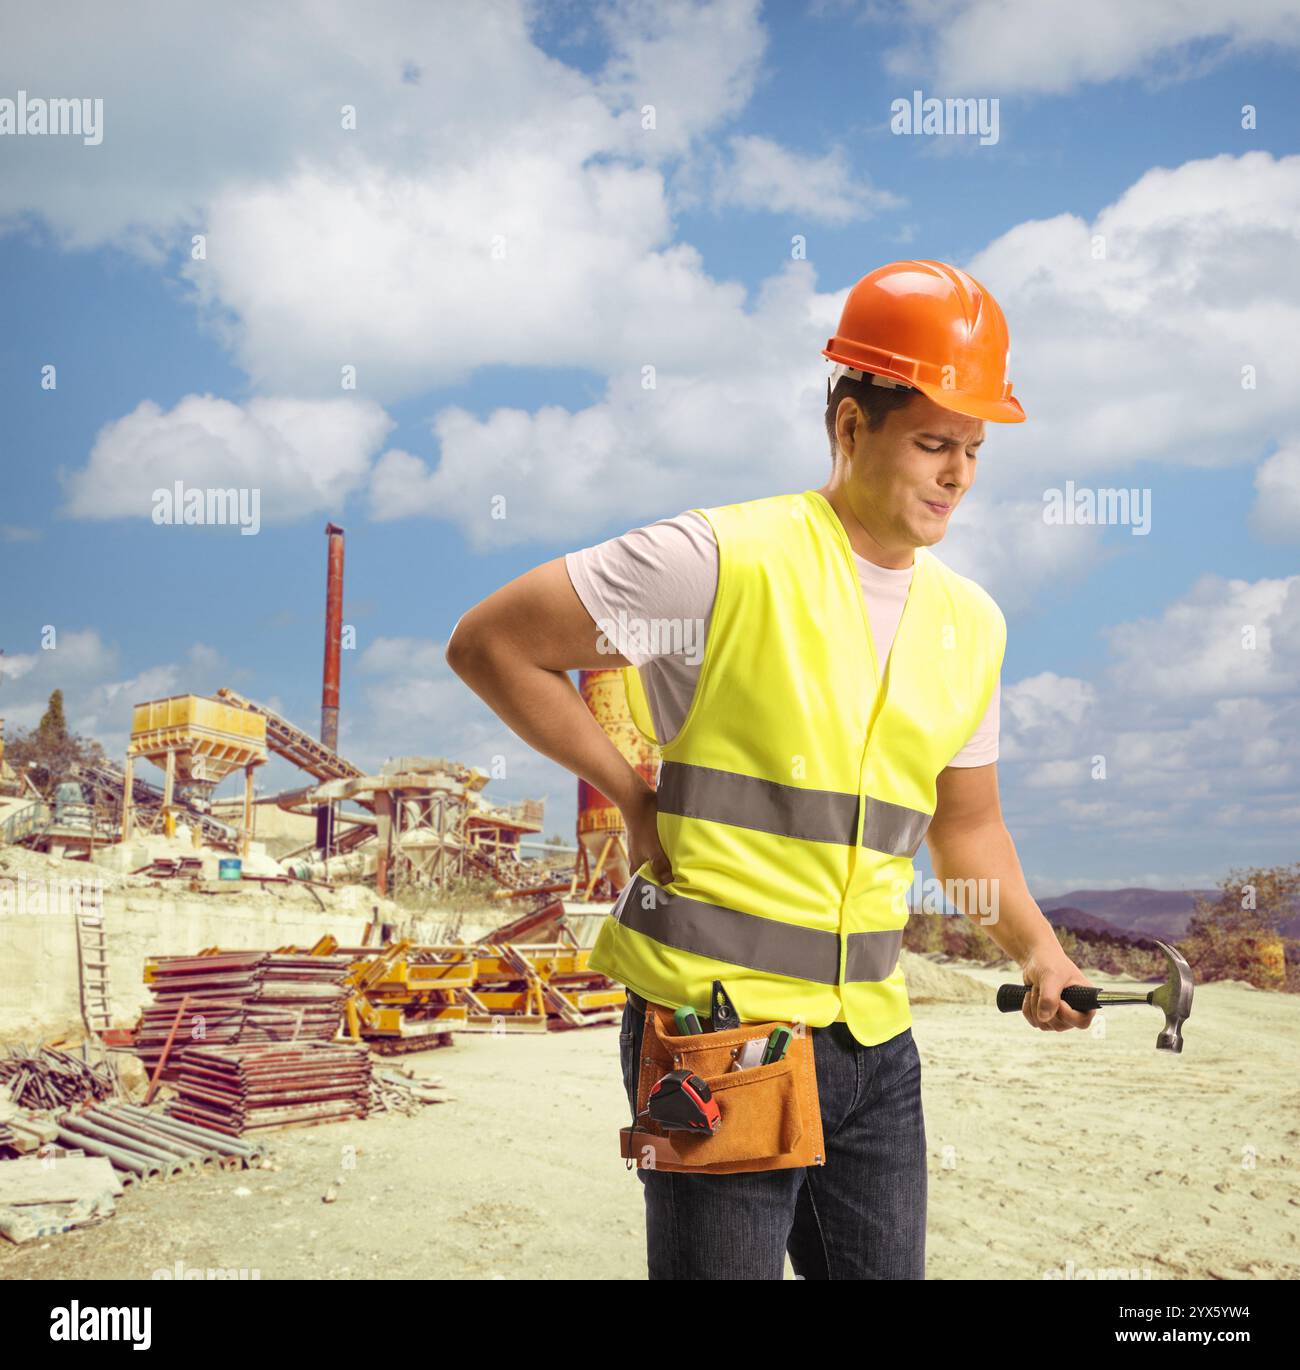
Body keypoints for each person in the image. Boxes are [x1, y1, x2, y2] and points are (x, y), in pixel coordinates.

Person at [447, 259, 1097, 1280]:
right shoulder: (719, 560)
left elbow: (966, 826)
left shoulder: (970, 624)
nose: (958, 473)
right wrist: (628, 790)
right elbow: (491, 644)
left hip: (874, 1048)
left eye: (973, 448)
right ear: (850, 426)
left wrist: (1039, 952)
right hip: (718, 1032)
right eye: (932, 442)